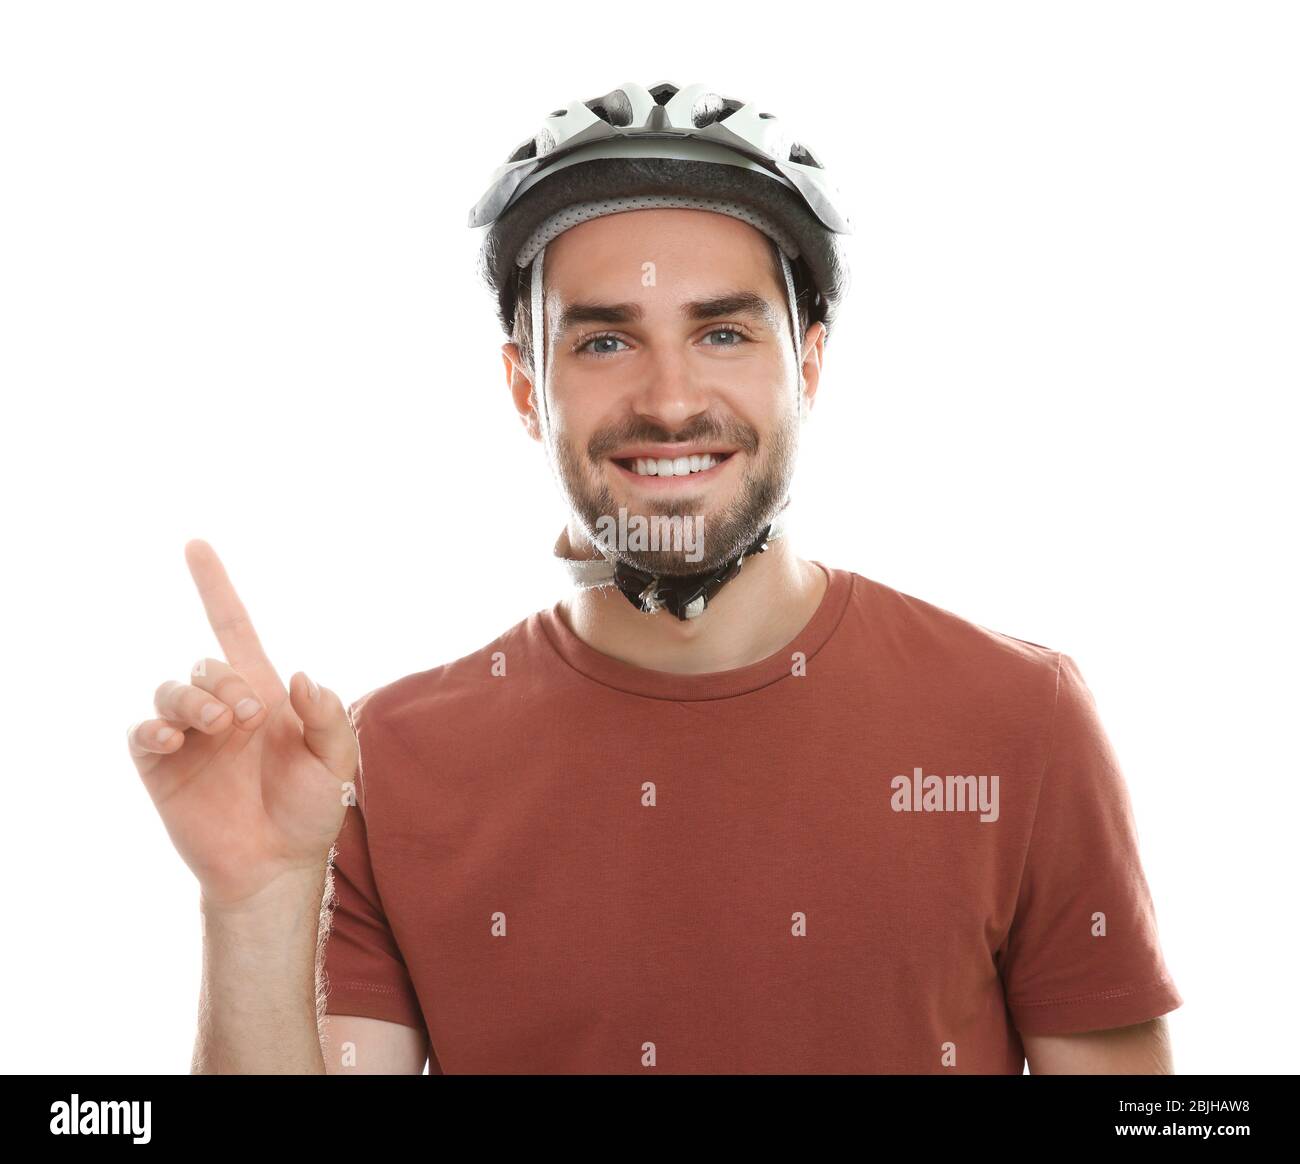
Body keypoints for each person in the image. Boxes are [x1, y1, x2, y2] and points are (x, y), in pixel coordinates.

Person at [128, 80, 1182, 1074]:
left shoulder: (1017, 721)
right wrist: (257, 903)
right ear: (525, 387)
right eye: (601, 343)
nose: (671, 400)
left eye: (722, 331)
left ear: (807, 368)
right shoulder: (377, 764)